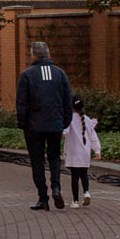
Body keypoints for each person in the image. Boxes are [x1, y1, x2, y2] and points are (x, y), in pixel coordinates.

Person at [16, 41, 73, 211]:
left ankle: (43, 198)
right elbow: (67, 101)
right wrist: (65, 122)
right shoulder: (60, 74)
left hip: (34, 126)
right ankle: (56, 187)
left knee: (37, 161)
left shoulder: (27, 75)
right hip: (55, 124)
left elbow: (22, 103)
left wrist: (22, 123)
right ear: (48, 54)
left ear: (33, 55)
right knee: (54, 157)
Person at [62, 97, 100, 207]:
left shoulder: (69, 119)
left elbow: (65, 131)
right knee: (84, 174)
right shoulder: (87, 119)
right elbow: (93, 136)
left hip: (74, 152)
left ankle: (75, 201)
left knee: (75, 177)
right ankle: (86, 192)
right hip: (85, 152)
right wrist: (97, 150)